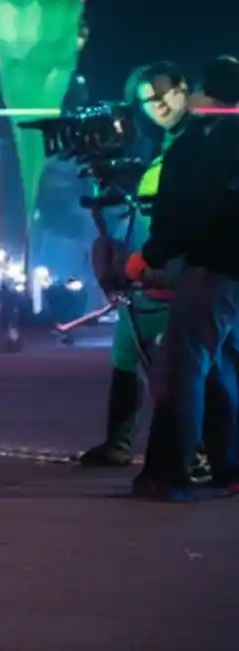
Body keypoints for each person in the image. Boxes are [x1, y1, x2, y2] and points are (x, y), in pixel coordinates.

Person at [128, 55, 239, 500]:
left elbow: (200, 208)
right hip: (227, 270)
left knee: (182, 367)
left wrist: (150, 254)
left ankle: (169, 471)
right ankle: (229, 467)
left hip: (214, 267)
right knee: (223, 368)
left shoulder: (216, 141)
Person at [78, 63, 194, 468]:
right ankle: (119, 443)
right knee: (126, 356)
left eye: (166, 93)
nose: (160, 104)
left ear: (184, 88)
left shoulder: (200, 141)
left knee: (187, 369)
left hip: (184, 273)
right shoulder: (158, 148)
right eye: (149, 99)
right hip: (146, 274)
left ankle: (195, 453)